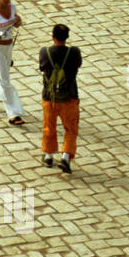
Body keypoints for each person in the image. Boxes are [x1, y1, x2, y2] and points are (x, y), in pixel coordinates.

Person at [38, 24, 82, 173]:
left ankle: (49, 155)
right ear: (67, 37)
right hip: (69, 97)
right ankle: (65, 156)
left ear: (53, 36)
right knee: (71, 128)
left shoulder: (45, 52)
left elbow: (43, 68)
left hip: (50, 98)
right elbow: (78, 65)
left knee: (49, 126)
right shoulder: (74, 52)